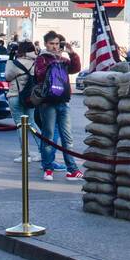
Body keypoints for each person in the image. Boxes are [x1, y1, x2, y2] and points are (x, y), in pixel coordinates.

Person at [32, 32, 83, 182]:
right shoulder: (42, 59)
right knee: (49, 137)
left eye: (56, 43)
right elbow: (39, 74)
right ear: (46, 44)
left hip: (63, 102)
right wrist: (53, 62)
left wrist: (72, 53)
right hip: (48, 103)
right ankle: (48, 168)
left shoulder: (63, 60)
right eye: (51, 44)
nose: (54, 46)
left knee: (68, 138)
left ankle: (72, 169)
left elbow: (75, 68)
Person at [5, 40, 39, 162]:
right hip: (30, 97)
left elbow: (7, 76)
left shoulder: (15, 63)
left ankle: (25, 155)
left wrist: (10, 58)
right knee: (32, 123)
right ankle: (42, 150)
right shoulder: (36, 62)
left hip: (15, 95)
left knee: (20, 124)